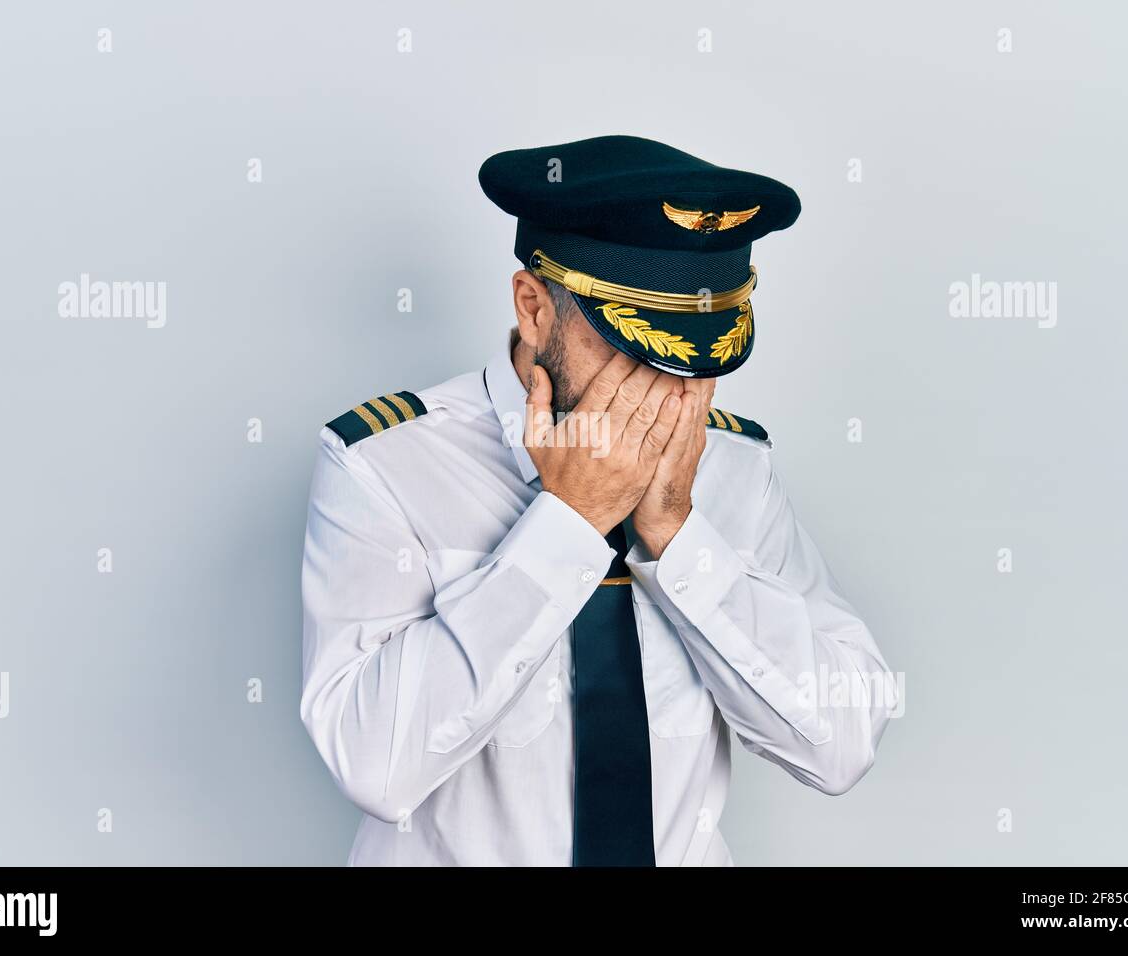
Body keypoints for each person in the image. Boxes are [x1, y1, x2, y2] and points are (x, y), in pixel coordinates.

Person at [300, 135, 895, 866]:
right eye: (639, 347)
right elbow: (375, 762)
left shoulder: (735, 466)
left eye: (696, 355)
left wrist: (676, 534)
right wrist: (569, 524)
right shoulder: (385, 463)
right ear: (535, 309)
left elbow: (839, 743)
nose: (668, 393)